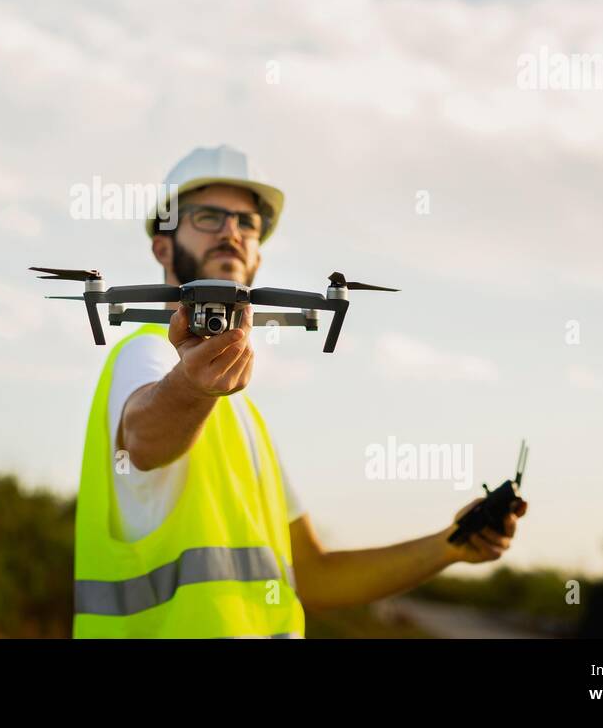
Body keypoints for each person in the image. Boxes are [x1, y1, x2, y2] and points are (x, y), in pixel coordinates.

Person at [72, 144, 527, 638]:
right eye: (208, 217)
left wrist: (449, 546)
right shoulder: (146, 354)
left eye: (247, 223)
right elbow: (144, 437)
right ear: (162, 247)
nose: (231, 231)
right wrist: (189, 389)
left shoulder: (244, 417)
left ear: (258, 257)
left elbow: (311, 576)